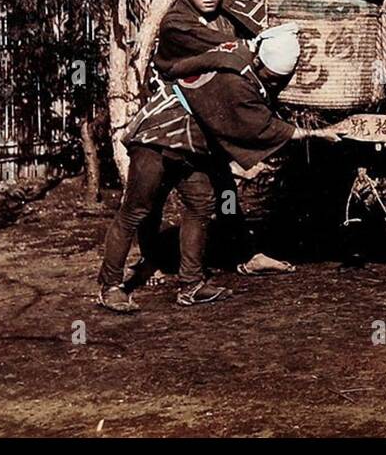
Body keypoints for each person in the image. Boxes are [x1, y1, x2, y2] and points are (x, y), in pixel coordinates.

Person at [96, 24, 313, 312]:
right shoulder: (234, 78)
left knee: (200, 205)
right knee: (136, 209)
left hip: (190, 143)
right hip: (158, 135)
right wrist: (313, 134)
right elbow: (258, 126)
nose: (275, 85)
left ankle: (191, 284)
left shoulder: (244, 57)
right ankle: (110, 286)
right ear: (260, 62)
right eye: (272, 79)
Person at [128, 0, 293, 284]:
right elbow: (225, 47)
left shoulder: (223, 13)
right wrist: (256, 48)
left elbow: (252, 21)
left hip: (209, 117)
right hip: (171, 114)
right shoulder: (178, 23)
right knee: (153, 194)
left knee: (224, 187)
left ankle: (244, 252)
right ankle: (148, 258)